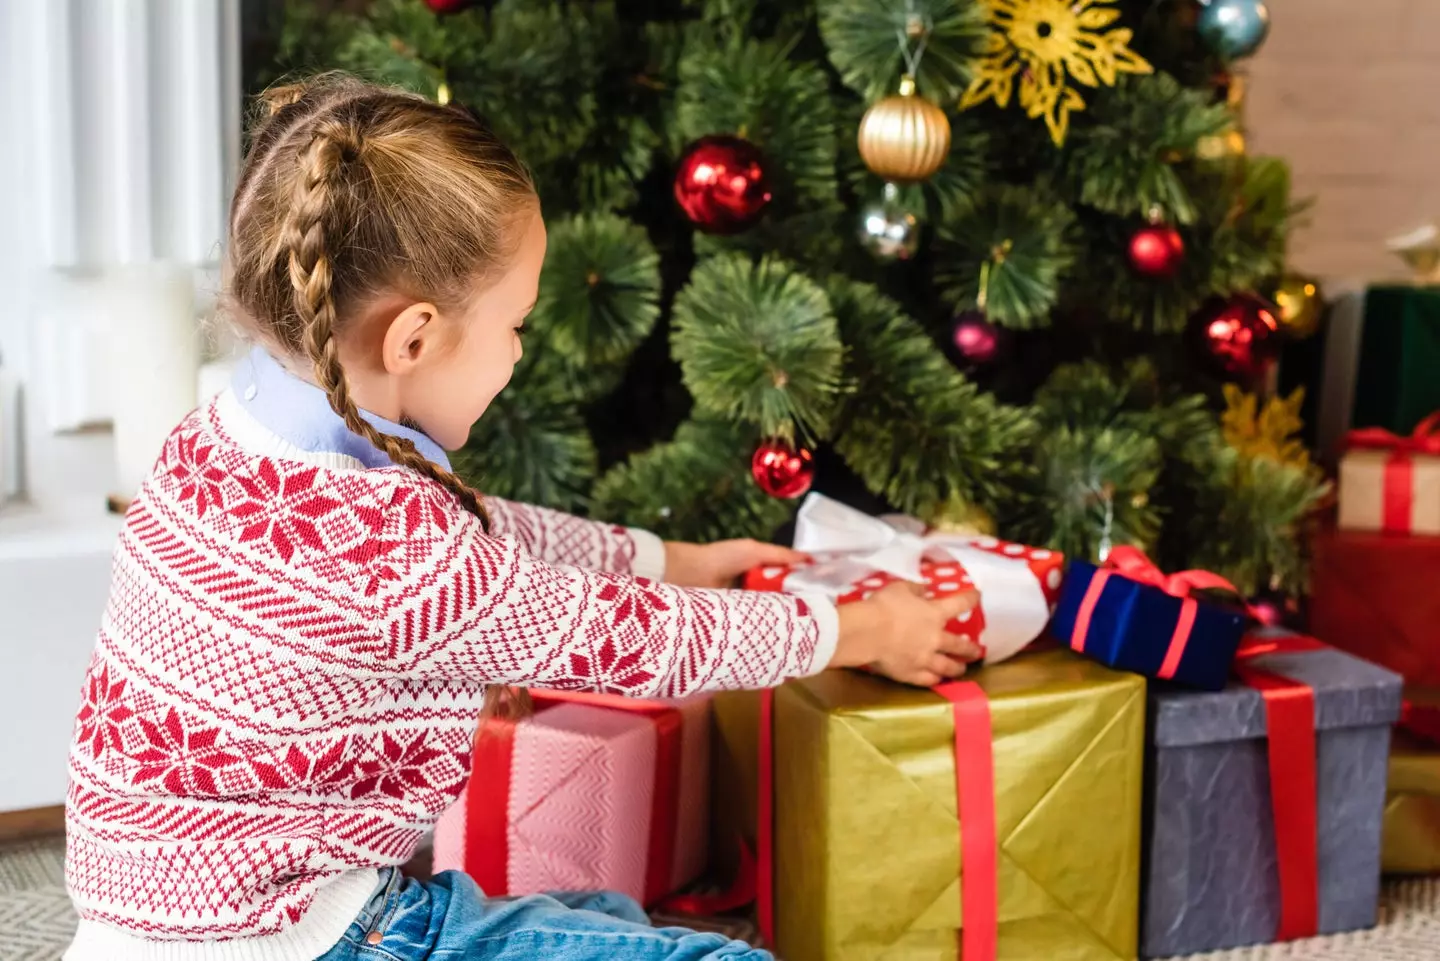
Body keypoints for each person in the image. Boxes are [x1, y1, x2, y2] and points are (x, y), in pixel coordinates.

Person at [62, 73, 981, 961]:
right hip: (304, 937)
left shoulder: (223, 440)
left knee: (602, 915)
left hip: (155, 921)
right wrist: (858, 630)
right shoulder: (392, 553)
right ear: (413, 337)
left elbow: (481, 538)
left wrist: (675, 556)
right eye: (517, 325)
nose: (518, 354)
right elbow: (633, 643)